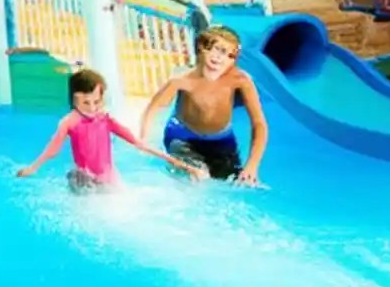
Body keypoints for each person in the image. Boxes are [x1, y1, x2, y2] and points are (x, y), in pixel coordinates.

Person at [15, 69, 205, 189]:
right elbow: (53, 149)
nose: (92, 107)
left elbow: (140, 145)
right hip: (84, 178)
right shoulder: (69, 122)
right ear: (73, 100)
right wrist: (33, 167)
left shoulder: (105, 119)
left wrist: (185, 166)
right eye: (85, 102)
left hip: (108, 178)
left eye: (96, 101)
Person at [139, 25, 270, 185]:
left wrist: (252, 165)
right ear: (202, 47)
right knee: (197, 178)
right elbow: (153, 108)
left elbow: (259, 124)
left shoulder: (240, 81)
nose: (221, 58)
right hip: (182, 137)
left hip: (222, 140)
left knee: (237, 183)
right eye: (218, 50)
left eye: (230, 56)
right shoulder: (181, 81)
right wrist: (144, 137)